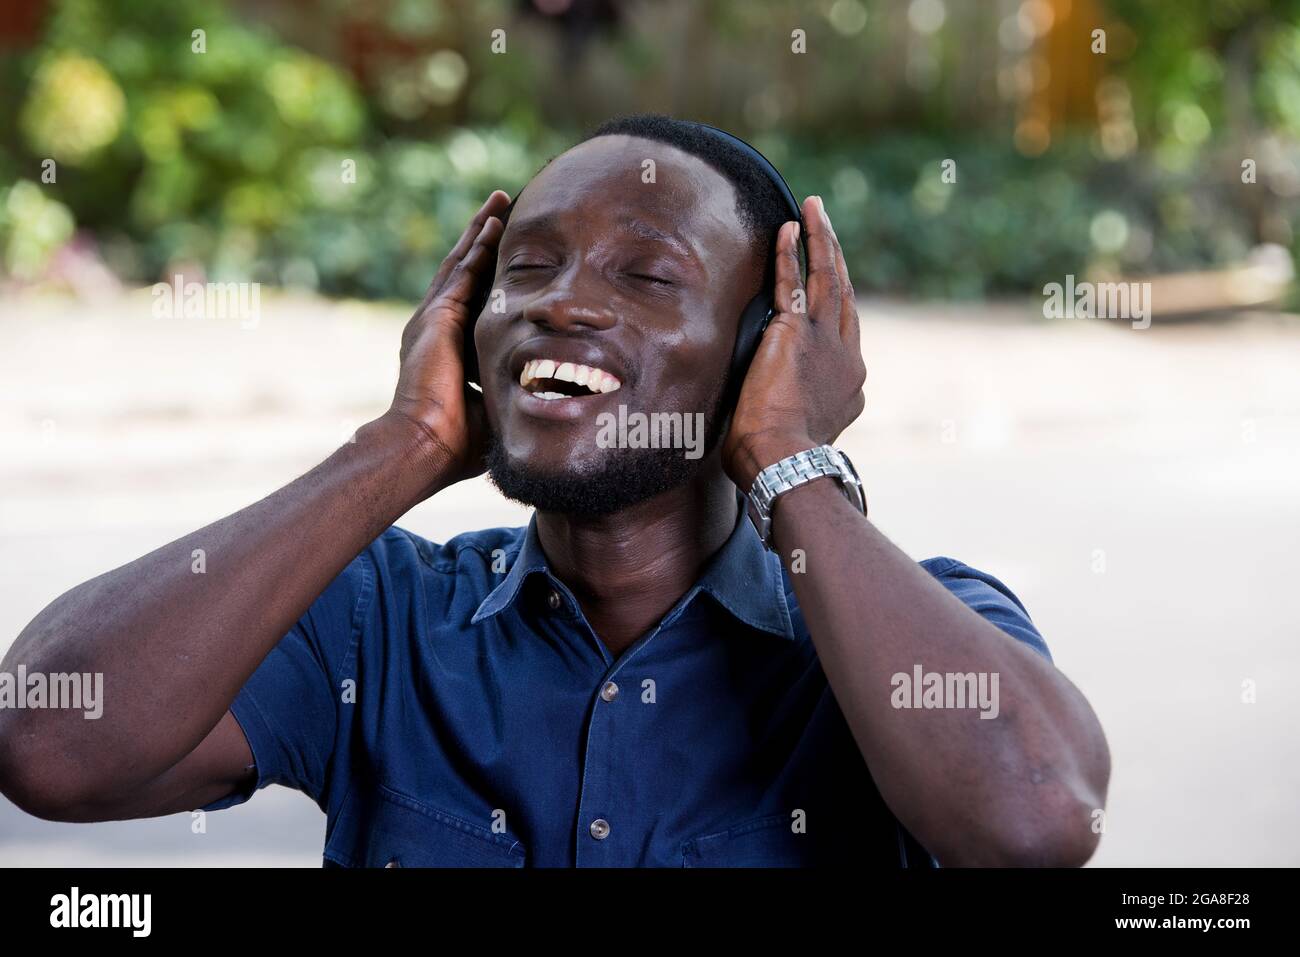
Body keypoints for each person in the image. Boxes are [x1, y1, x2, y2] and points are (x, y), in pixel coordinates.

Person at [0, 115, 1109, 867]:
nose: (564, 305)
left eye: (648, 274)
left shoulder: (911, 632)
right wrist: (404, 442)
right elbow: (51, 744)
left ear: (764, 347)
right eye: (526, 268)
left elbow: (1037, 820)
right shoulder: (378, 619)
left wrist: (788, 459)